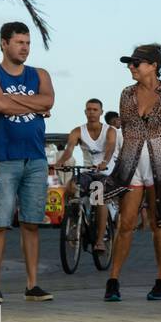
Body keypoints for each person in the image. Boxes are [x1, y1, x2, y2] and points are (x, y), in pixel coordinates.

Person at [103, 44, 161, 302]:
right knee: (126, 222)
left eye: (136, 63)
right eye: (130, 64)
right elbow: (127, 128)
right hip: (132, 162)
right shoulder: (126, 94)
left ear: (153, 65)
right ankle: (113, 281)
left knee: (159, 224)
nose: (131, 67)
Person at [0, 21, 55, 303]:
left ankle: (32, 284)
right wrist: (33, 104)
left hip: (35, 157)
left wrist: (14, 99)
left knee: (32, 223)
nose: (24, 48)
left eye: (28, 43)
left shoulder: (40, 74)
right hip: (4, 157)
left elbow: (48, 101)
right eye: (19, 42)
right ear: (4, 43)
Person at [54, 98, 118, 251]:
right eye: (89, 109)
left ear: (101, 112)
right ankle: (76, 221)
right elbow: (69, 149)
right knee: (71, 188)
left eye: (95, 110)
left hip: (104, 172)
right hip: (87, 171)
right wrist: (61, 161)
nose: (91, 112)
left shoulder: (109, 130)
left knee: (98, 197)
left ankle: (100, 240)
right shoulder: (78, 131)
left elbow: (110, 148)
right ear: (85, 112)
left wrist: (104, 161)